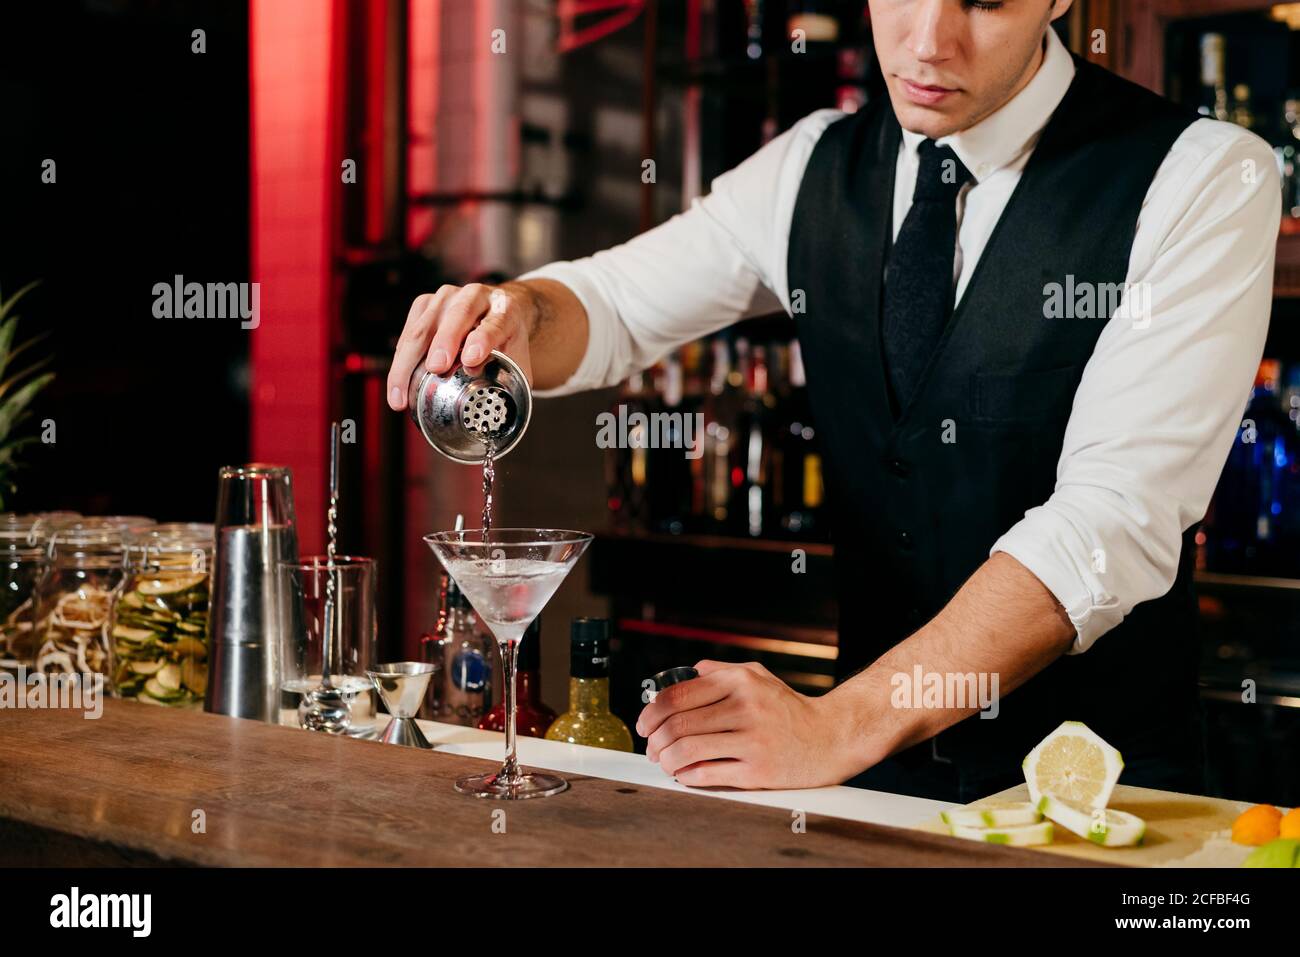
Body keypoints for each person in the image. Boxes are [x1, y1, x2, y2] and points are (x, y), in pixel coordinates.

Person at [386, 0, 1278, 802]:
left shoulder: (1200, 178)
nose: (930, 42)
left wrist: (837, 722)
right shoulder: (812, 165)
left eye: (986, 3)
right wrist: (513, 315)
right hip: (865, 797)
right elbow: (614, 305)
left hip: (1092, 796)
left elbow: (1111, 518)